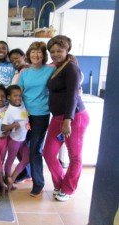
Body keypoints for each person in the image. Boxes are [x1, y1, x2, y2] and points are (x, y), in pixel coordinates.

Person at [43, 35, 89, 202]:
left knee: (74, 156)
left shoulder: (71, 68)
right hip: (57, 118)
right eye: (52, 51)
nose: (55, 54)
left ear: (67, 50)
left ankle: (68, 189)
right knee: (48, 153)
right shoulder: (58, 67)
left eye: (59, 50)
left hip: (74, 117)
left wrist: (67, 121)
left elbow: (72, 96)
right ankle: (60, 183)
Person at [18, 42, 55, 197]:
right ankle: (26, 172)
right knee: (20, 146)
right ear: (29, 54)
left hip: (41, 114)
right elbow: (18, 92)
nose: (36, 55)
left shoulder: (50, 69)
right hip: (24, 114)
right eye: (33, 52)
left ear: (44, 55)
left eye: (39, 52)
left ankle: (38, 182)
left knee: (34, 149)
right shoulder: (25, 72)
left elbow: (71, 68)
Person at [1, 85, 30, 191]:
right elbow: (3, 127)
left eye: (19, 95)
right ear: (8, 97)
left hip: (23, 139)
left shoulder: (21, 104)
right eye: (15, 96)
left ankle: (12, 178)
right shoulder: (9, 111)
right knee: (10, 160)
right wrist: (13, 125)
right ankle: (7, 181)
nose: (18, 98)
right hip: (14, 140)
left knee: (27, 159)